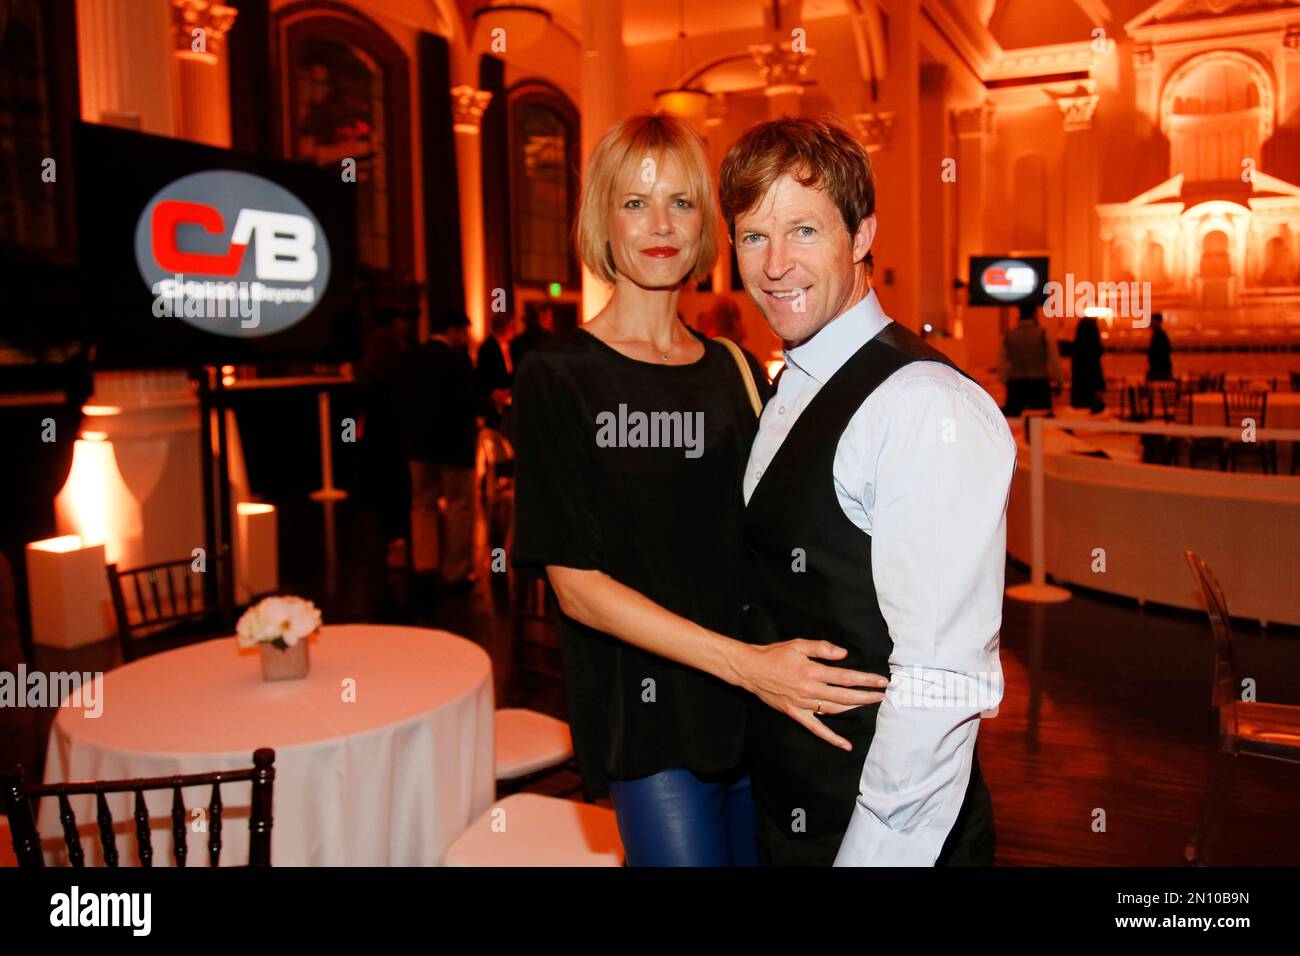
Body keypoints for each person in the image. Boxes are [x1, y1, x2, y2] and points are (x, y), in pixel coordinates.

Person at [510, 113, 888, 867]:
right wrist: (745, 663)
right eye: (636, 202)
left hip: (762, 709)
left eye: (682, 202)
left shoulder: (738, 369)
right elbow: (576, 586)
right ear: (602, 218)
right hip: (652, 720)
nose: (660, 225)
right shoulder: (559, 377)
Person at [720, 116, 1016, 866]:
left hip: (876, 835)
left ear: (861, 236)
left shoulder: (923, 405)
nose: (776, 264)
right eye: (754, 237)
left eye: (804, 231)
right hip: (790, 803)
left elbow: (943, 681)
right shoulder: (792, 381)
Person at [398, 310, 478, 590]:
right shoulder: (459, 361)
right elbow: (468, 403)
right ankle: (455, 571)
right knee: (459, 507)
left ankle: (425, 565)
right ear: (454, 329)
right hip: (454, 445)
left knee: (422, 506)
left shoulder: (412, 358)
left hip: (418, 444)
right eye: (465, 331)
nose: (466, 337)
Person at [998, 299, 1062, 416]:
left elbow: (1003, 364)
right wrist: (1058, 380)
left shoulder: (1008, 336)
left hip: (1016, 385)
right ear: (1034, 314)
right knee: (1042, 424)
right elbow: (1054, 360)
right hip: (1039, 384)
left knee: (1015, 424)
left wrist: (1005, 380)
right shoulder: (1044, 334)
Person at [476, 311, 515, 432]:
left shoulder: (511, 346)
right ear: (504, 327)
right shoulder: (488, 348)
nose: (514, 330)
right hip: (495, 401)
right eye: (511, 326)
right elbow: (483, 376)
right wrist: (495, 392)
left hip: (508, 400)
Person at [1069, 316, 1106, 413]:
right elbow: (1097, 372)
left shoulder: (1077, 350)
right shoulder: (1094, 351)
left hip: (1078, 395)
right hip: (1092, 396)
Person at [1146, 312, 1172, 382]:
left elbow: (1159, 353)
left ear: (1157, 322)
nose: (1150, 323)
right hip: (1161, 369)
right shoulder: (1160, 335)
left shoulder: (1159, 335)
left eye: (1152, 321)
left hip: (1159, 370)